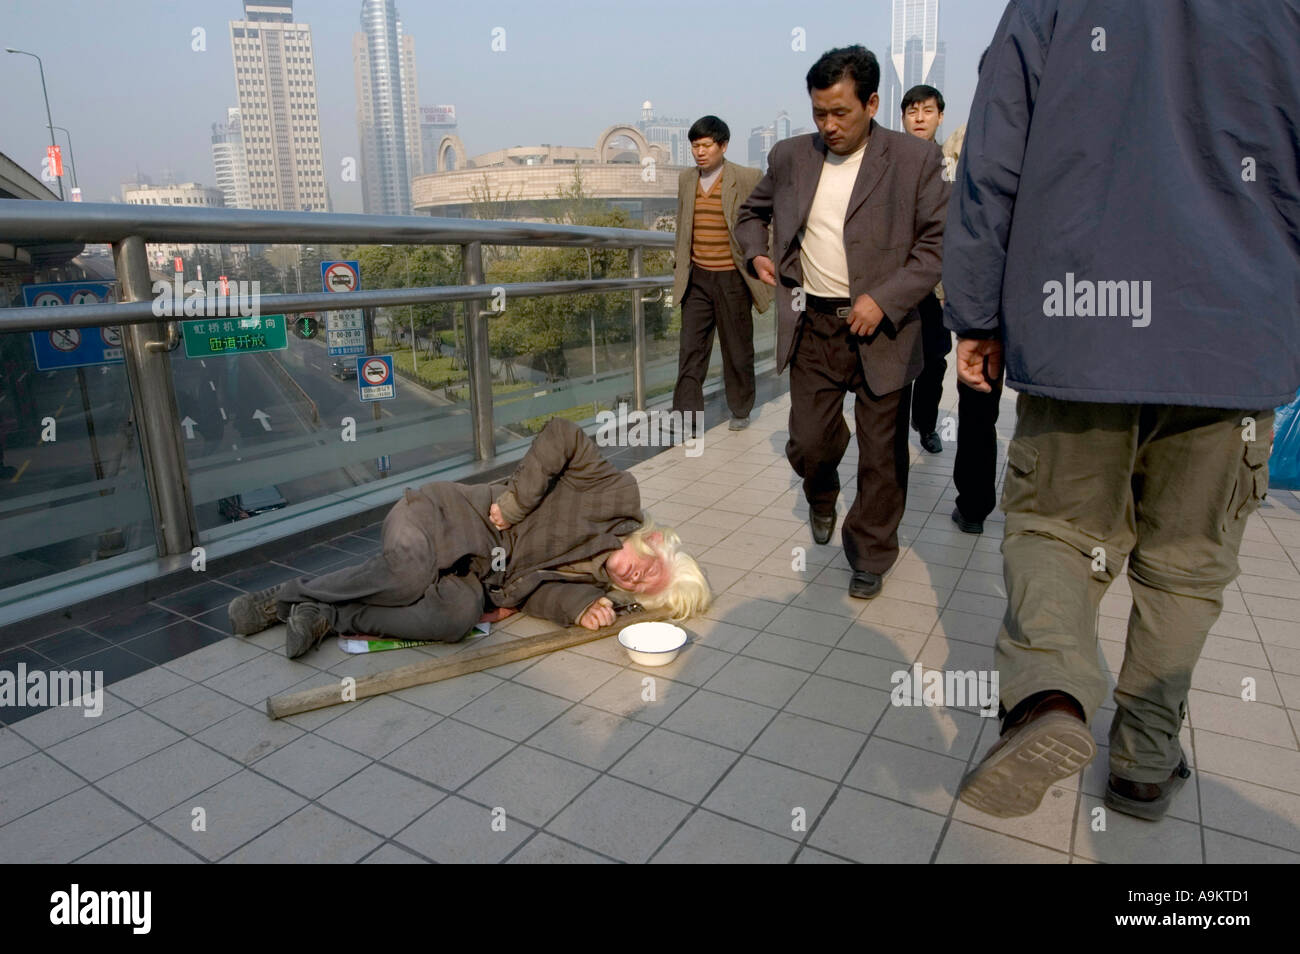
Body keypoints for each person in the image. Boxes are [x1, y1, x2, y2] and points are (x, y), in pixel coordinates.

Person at [946, 0, 1299, 820]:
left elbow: (992, 157)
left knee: (1058, 531)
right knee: (1187, 564)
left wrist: (979, 313)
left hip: (1081, 325)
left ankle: (1049, 698)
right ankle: (1143, 758)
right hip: (1234, 336)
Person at [735, 45, 947, 599]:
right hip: (813, 325)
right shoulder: (789, 156)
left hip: (884, 329)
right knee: (808, 442)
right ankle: (821, 489)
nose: (828, 125)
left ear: (872, 103)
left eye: (840, 113)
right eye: (819, 113)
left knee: (882, 454)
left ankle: (870, 553)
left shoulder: (913, 160)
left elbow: (936, 244)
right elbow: (752, 213)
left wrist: (886, 298)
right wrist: (757, 251)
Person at [227, 417, 710, 657]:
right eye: (649, 568)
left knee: (457, 616)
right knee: (411, 569)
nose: (634, 575)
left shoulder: (593, 586)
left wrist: (577, 609)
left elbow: (541, 597)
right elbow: (562, 434)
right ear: (654, 540)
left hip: (472, 576)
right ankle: (281, 599)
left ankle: (330, 614)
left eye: (641, 586)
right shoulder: (616, 494)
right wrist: (517, 501)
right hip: (439, 515)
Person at [671, 116, 773, 431]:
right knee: (691, 350)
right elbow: (683, 225)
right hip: (697, 278)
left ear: (723, 145)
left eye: (706, 145)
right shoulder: (686, 180)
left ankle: (740, 410)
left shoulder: (746, 176)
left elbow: (764, 218)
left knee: (737, 349)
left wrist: (760, 256)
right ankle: (687, 417)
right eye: (695, 146)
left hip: (733, 276)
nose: (700, 152)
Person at [900, 83, 953, 457]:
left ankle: (926, 423)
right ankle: (893, 428)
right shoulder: (887, 161)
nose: (920, 118)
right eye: (912, 112)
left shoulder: (950, 165)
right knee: (897, 361)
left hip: (935, 283)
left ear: (940, 116)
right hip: (898, 281)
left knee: (934, 358)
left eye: (927, 111)